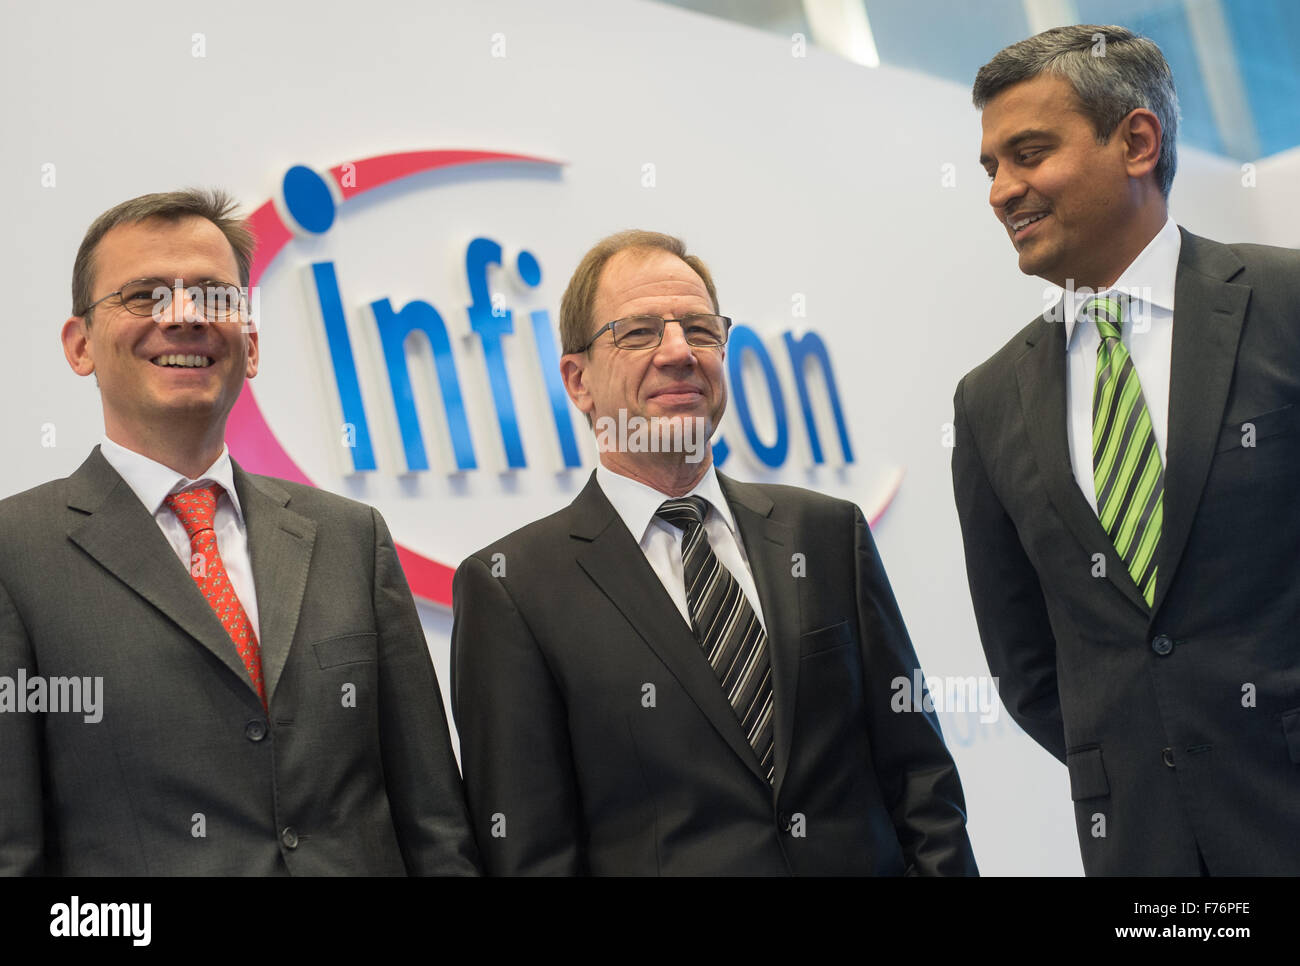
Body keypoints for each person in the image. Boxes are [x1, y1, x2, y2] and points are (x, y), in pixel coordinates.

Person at [452, 230, 977, 875]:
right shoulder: (513, 589)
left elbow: (920, 779)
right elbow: (531, 855)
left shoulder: (826, 534)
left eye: (700, 330)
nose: (679, 353)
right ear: (578, 380)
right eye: (639, 332)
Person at [0, 189, 479, 875]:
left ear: (250, 345)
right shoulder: (15, 555)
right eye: (142, 295)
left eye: (214, 296)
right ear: (80, 347)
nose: (185, 315)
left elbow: (435, 823)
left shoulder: (351, 539)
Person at [953, 25, 1300, 875]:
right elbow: (1026, 663)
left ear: (1137, 141)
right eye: (991, 167)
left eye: (1028, 153)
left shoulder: (1287, 305)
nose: (1002, 191)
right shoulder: (988, 400)